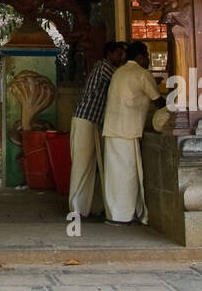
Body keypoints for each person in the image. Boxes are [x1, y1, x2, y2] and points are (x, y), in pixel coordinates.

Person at [101, 40, 163, 225]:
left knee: (114, 176)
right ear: (140, 56)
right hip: (127, 131)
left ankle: (114, 214)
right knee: (126, 175)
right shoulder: (141, 74)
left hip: (112, 128)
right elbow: (158, 101)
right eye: (147, 57)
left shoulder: (119, 72)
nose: (148, 61)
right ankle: (123, 216)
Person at [68, 41, 126, 218]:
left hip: (93, 120)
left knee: (93, 165)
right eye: (119, 54)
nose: (121, 58)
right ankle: (77, 209)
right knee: (82, 164)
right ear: (109, 54)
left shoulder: (106, 67)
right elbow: (122, 79)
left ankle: (90, 206)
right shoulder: (103, 67)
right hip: (85, 118)